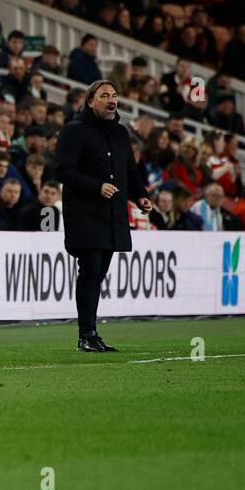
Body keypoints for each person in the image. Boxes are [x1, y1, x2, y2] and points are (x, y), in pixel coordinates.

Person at [52, 80, 152, 353]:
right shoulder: (74, 131)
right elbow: (62, 170)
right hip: (85, 213)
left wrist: (139, 196)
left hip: (113, 213)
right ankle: (87, 334)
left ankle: (91, 334)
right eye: (105, 95)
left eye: (115, 95)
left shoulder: (120, 133)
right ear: (90, 101)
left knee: (98, 274)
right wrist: (95, 186)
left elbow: (129, 170)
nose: (112, 99)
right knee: (91, 270)